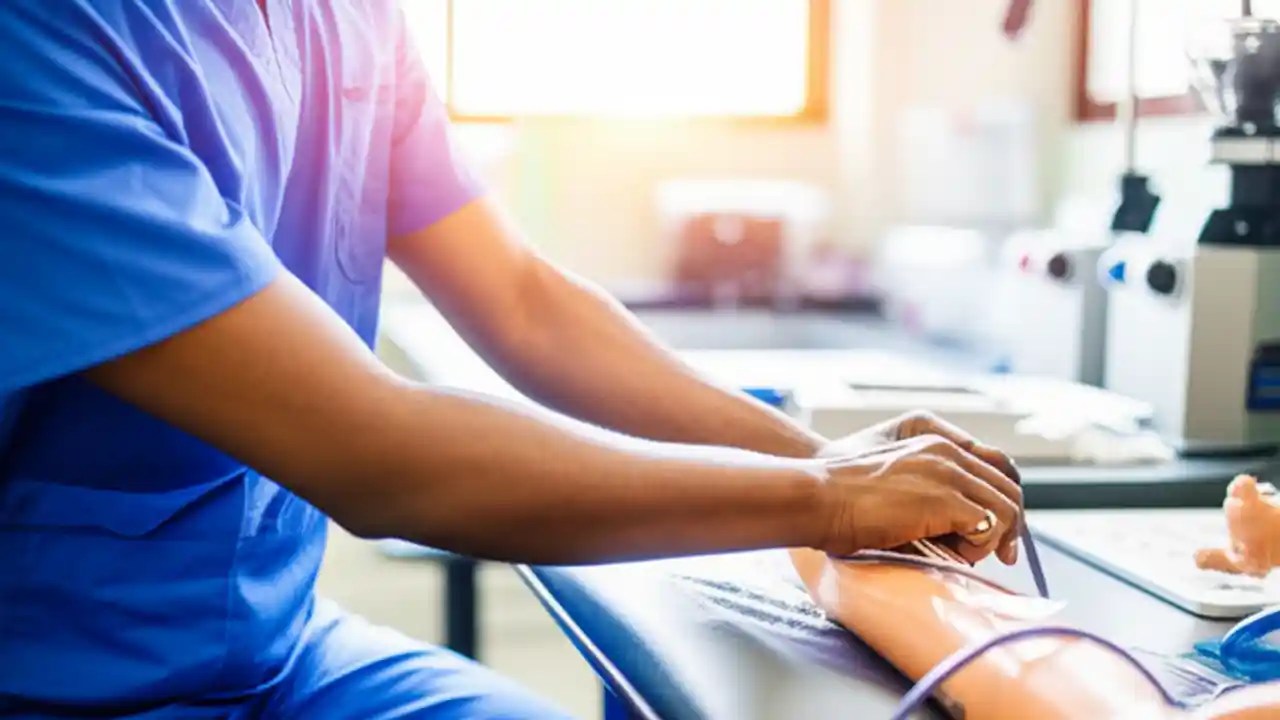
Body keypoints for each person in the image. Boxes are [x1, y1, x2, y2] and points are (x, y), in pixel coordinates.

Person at [0, 2, 1024, 718]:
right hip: (52, 683)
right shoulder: (39, 36)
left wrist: (820, 458)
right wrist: (825, 498)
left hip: (280, 654)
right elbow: (376, 457)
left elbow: (524, 304)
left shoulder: (347, 16)